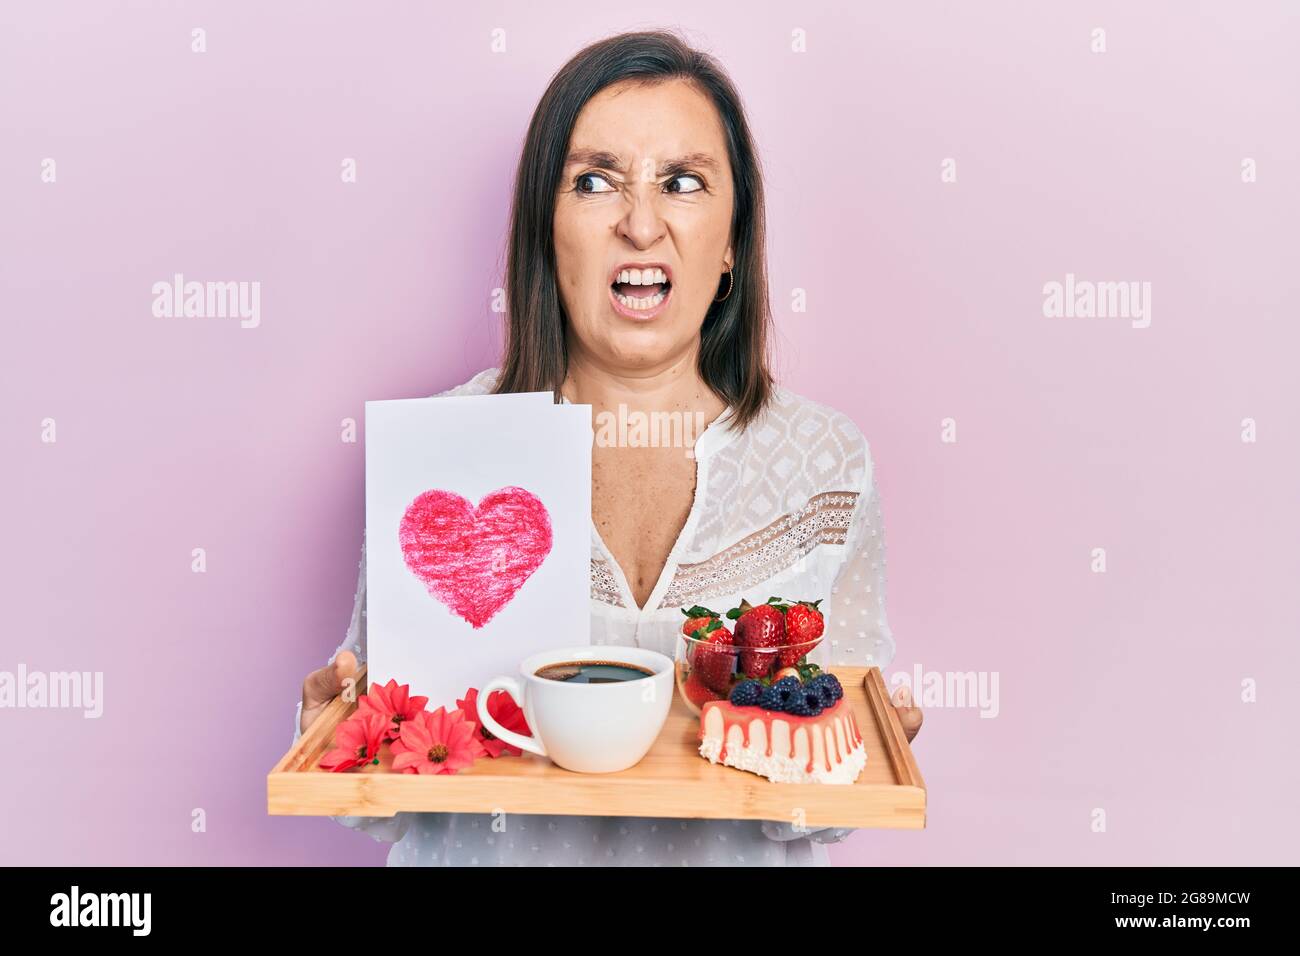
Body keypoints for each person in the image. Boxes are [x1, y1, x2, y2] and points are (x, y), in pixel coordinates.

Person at [296, 29, 922, 866]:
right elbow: (392, 795)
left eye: (684, 182)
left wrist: (859, 752)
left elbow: (814, 808)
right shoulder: (447, 445)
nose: (639, 223)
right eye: (595, 182)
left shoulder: (823, 465)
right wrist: (333, 734)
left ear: (733, 239)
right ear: (546, 231)